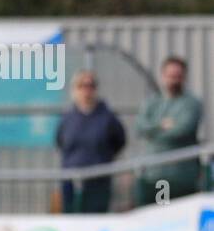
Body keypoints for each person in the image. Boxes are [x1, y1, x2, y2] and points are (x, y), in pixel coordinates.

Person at [135, 55, 203, 205]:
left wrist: (153, 131)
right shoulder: (152, 101)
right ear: (163, 76)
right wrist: (160, 125)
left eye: (178, 76)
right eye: (170, 75)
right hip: (153, 175)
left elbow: (181, 130)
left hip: (180, 177)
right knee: (154, 219)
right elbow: (139, 127)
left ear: (184, 77)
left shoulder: (191, 103)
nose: (174, 80)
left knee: (176, 221)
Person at [55, 69, 126, 213]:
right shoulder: (67, 117)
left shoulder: (107, 117)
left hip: (98, 182)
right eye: (82, 86)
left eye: (91, 85)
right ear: (75, 89)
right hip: (71, 182)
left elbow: (120, 140)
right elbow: (60, 141)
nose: (86, 90)